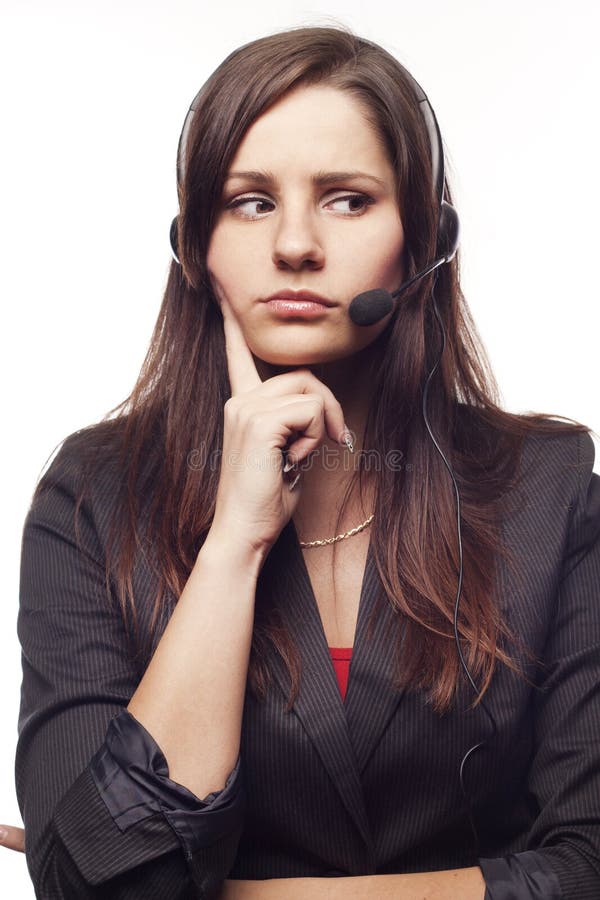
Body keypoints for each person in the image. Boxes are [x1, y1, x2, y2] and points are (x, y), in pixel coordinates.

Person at [4, 24, 599, 900]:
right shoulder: (91, 497)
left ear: (425, 238)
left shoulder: (550, 490)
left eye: (347, 199)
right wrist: (235, 543)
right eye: (250, 201)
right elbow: (99, 882)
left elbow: (587, 866)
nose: (294, 246)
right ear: (193, 249)